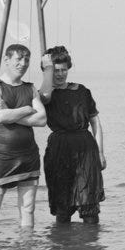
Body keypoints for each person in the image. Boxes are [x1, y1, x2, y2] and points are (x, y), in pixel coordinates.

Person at [0, 44, 47, 230]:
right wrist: (26, 109)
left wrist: (10, 112)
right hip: (2, 158)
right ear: (7, 60)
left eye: (26, 60)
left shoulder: (30, 88)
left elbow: (41, 119)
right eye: (18, 59)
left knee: (28, 210)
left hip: (28, 157)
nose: (23, 63)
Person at [38, 46, 106, 224]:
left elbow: (95, 122)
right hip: (59, 149)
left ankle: (90, 248)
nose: (60, 75)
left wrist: (100, 153)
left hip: (85, 148)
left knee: (89, 207)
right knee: (63, 207)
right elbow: (44, 97)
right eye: (56, 70)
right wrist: (47, 69)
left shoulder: (82, 91)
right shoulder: (45, 93)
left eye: (64, 70)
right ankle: (62, 248)